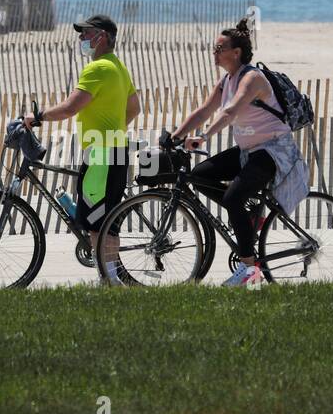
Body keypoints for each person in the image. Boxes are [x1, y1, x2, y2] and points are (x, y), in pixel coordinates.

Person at [171, 18, 307, 287]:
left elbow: (230, 111)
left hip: (273, 152)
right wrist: (175, 136)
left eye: (219, 48)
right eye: (214, 48)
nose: (215, 52)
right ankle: (248, 217)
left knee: (233, 199)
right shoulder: (226, 81)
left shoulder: (252, 78)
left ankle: (249, 268)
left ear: (237, 53)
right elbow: (204, 111)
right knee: (199, 175)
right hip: (248, 151)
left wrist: (204, 137)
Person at [22, 14, 139, 283]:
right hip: (115, 149)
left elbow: (71, 107)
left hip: (99, 153)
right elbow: (135, 108)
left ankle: (109, 280)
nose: (81, 39)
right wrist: (114, 128)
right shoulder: (118, 67)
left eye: (86, 34)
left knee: (97, 221)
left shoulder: (97, 69)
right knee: (105, 218)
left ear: (101, 37)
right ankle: (110, 277)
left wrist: (38, 117)